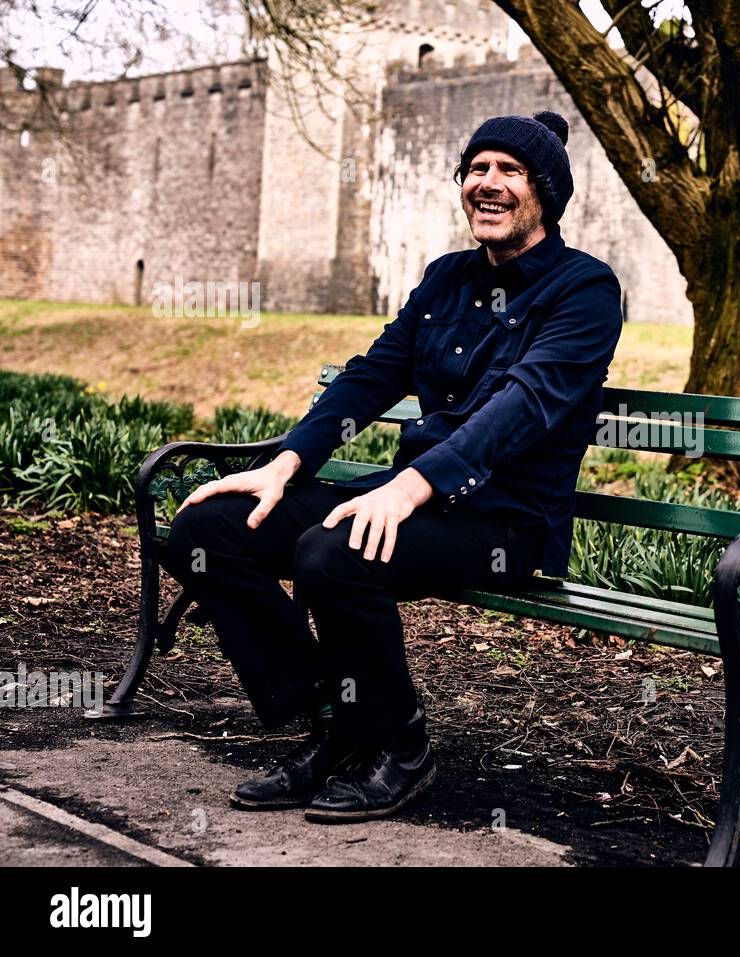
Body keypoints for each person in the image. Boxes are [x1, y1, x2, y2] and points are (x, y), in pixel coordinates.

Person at [162, 110, 624, 823]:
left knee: (333, 552)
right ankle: (336, 724)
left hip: (502, 523)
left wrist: (410, 486)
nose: (487, 184)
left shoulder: (585, 291)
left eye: (509, 171)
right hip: (406, 502)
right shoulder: (445, 280)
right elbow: (369, 378)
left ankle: (400, 745)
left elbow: (525, 404)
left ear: (546, 192)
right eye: (476, 169)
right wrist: (283, 464)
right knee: (205, 529)